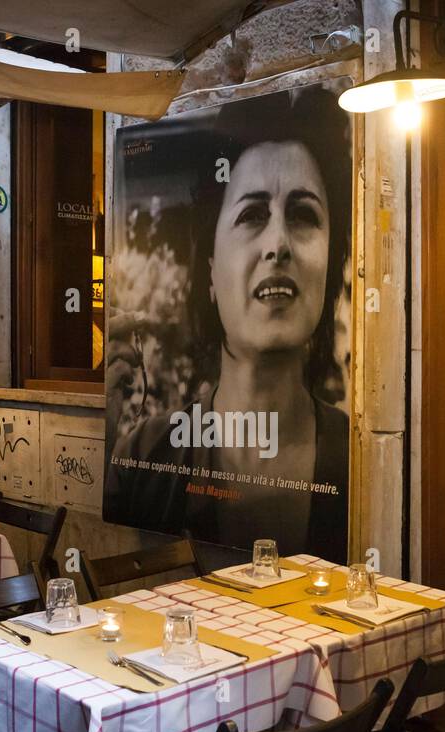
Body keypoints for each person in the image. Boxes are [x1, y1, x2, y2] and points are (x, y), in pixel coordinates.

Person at [106, 85, 350, 560]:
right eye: (252, 214)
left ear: (333, 261)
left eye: (302, 215)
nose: (277, 244)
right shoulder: (146, 458)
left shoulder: (361, 459)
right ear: (212, 270)